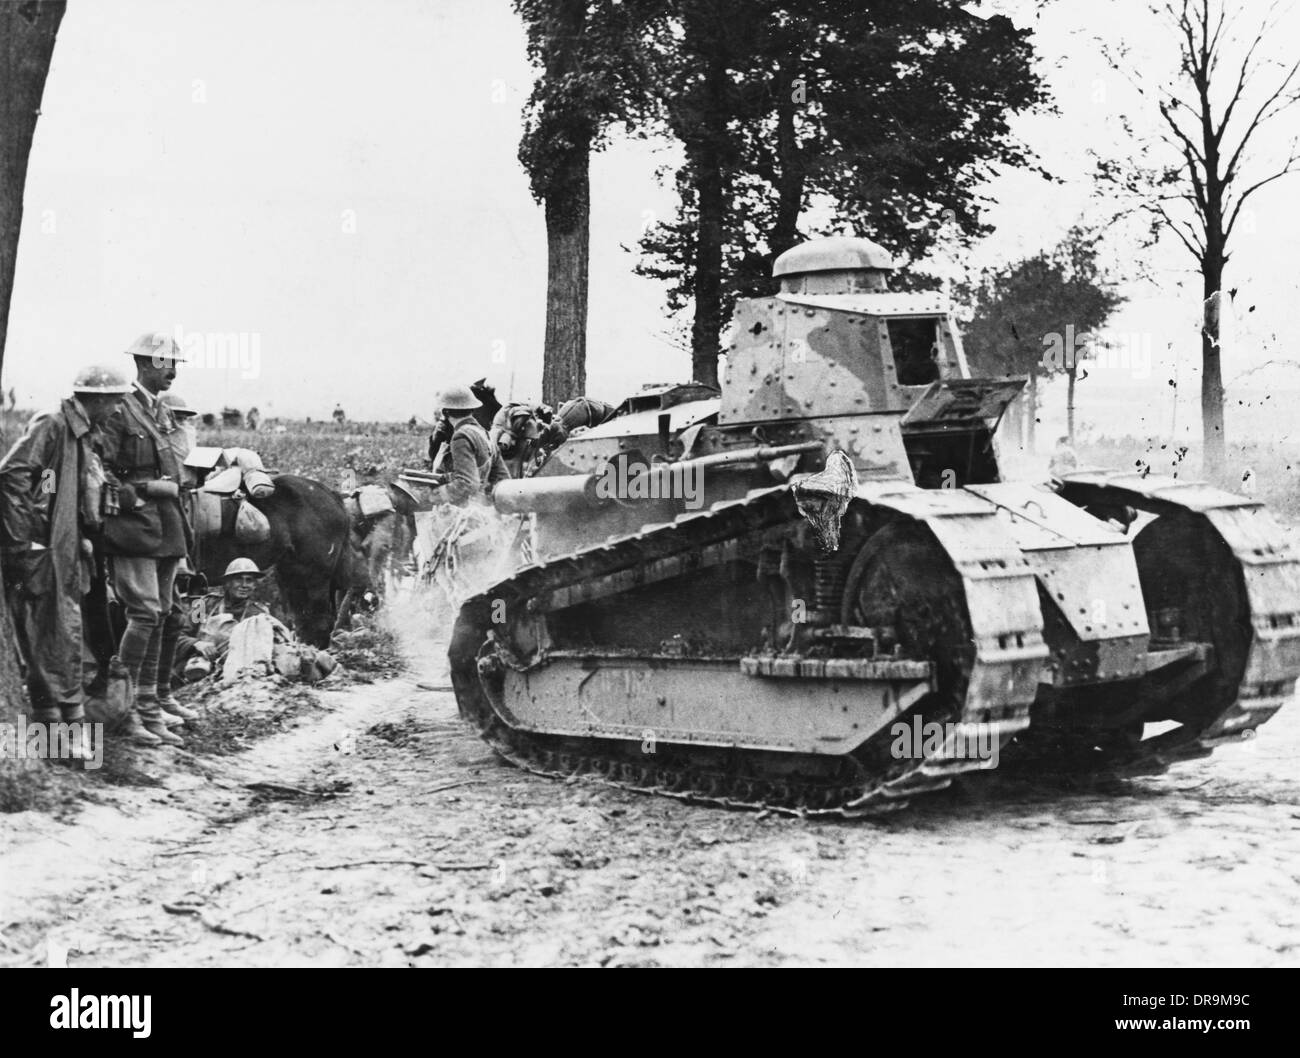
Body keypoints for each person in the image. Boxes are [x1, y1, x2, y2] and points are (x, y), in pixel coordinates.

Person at [0, 365, 131, 760]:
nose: (118, 408)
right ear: (97, 399)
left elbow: (44, 482)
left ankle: (62, 734)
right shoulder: (54, 425)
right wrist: (27, 540)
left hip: (64, 548)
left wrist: (59, 520)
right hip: (43, 551)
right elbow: (12, 475)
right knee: (51, 638)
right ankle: (60, 735)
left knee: (60, 637)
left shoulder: (78, 435)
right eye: (115, 400)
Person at [97, 332, 193, 747]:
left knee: (164, 612)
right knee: (145, 614)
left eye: (174, 364)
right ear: (147, 363)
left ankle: (151, 705)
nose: (172, 371)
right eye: (166, 363)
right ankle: (125, 711)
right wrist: (148, 490)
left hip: (167, 525)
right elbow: (99, 471)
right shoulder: (121, 409)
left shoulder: (160, 411)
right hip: (134, 525)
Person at [429, 384, 509, 506]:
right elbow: (502, 481)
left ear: (445, 412)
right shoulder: (485, 435)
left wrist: (433, 496)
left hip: (461, 516)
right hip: (481, 514)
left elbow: (466, 483)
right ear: (472, 409)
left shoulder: (461, 436)